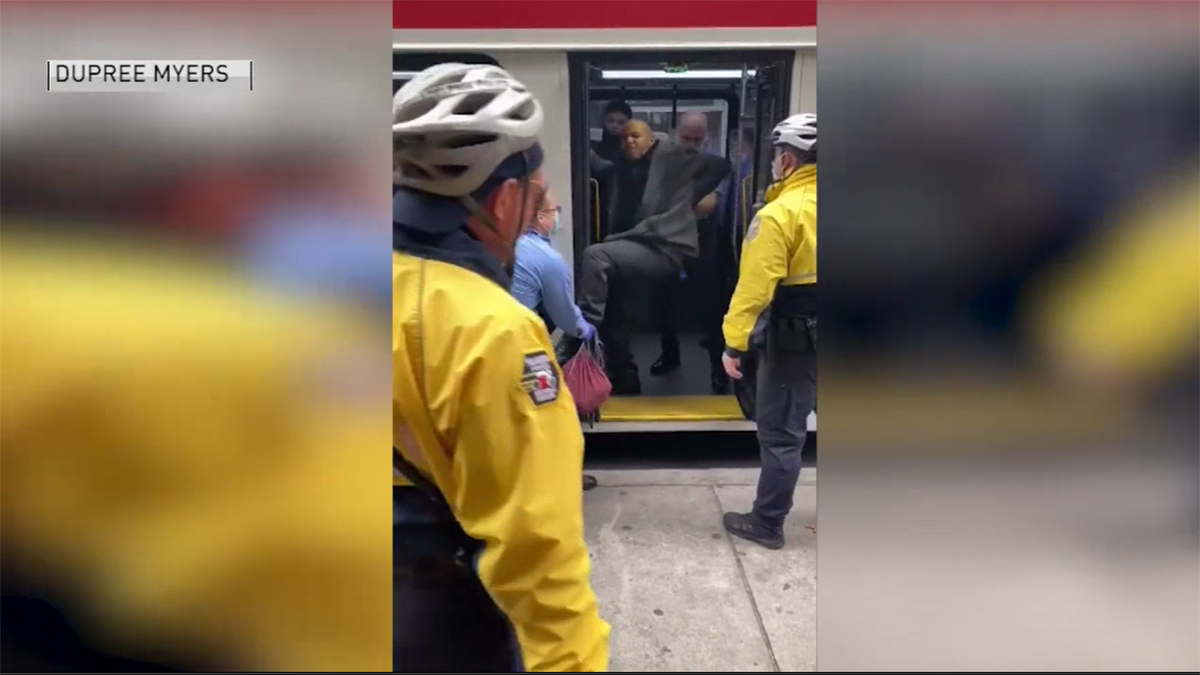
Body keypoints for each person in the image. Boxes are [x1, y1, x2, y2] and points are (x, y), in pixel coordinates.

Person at [392, 63, 610, 671]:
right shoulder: (491, 331)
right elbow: (539, 560)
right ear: (508, 198)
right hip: (437, 626)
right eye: (539, 195)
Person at [719, 113, 818, 550]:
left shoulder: (780, 215)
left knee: (782, 435)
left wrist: (734, 344)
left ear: (789, 161)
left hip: (798, 339)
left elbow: (754, 291)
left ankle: (767, 523)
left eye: (779, 155)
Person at [577, 120, 712, 394]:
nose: (629, 141)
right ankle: (625, 377)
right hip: (626, 249)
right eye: (624, 138)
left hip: (660, 248)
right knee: (618, 314)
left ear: (650, 139)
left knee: (665, 307)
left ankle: (584, 333)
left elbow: (705, 200)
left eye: (636, 136)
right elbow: (598, 165)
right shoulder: (617, 169)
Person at [512, 187, 600, 491]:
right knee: (556, 411)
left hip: (491, 345)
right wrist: (585, 329)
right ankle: (562, 477)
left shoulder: (503, 245)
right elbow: (564, 316)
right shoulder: (546, 259)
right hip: (526, 354)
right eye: (554, 211)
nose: (557, 216)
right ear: (540, 217)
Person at [651, 112, 735, 394]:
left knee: (711, 307)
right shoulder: (663, 161)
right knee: (665, 299)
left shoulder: (716, 165)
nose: (692, 144)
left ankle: (717, 369)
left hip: (705, 238)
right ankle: (670, 354)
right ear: (676, 134)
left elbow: (708, 204)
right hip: (668, 239)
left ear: (707, 138)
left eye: (698, 139)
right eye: (686, 138)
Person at [591, 99, 632, 164]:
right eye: (610, 121)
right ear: (603, 121)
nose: (615, 126)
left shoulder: (632, 150)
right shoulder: (592, 148)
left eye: (621, 123)